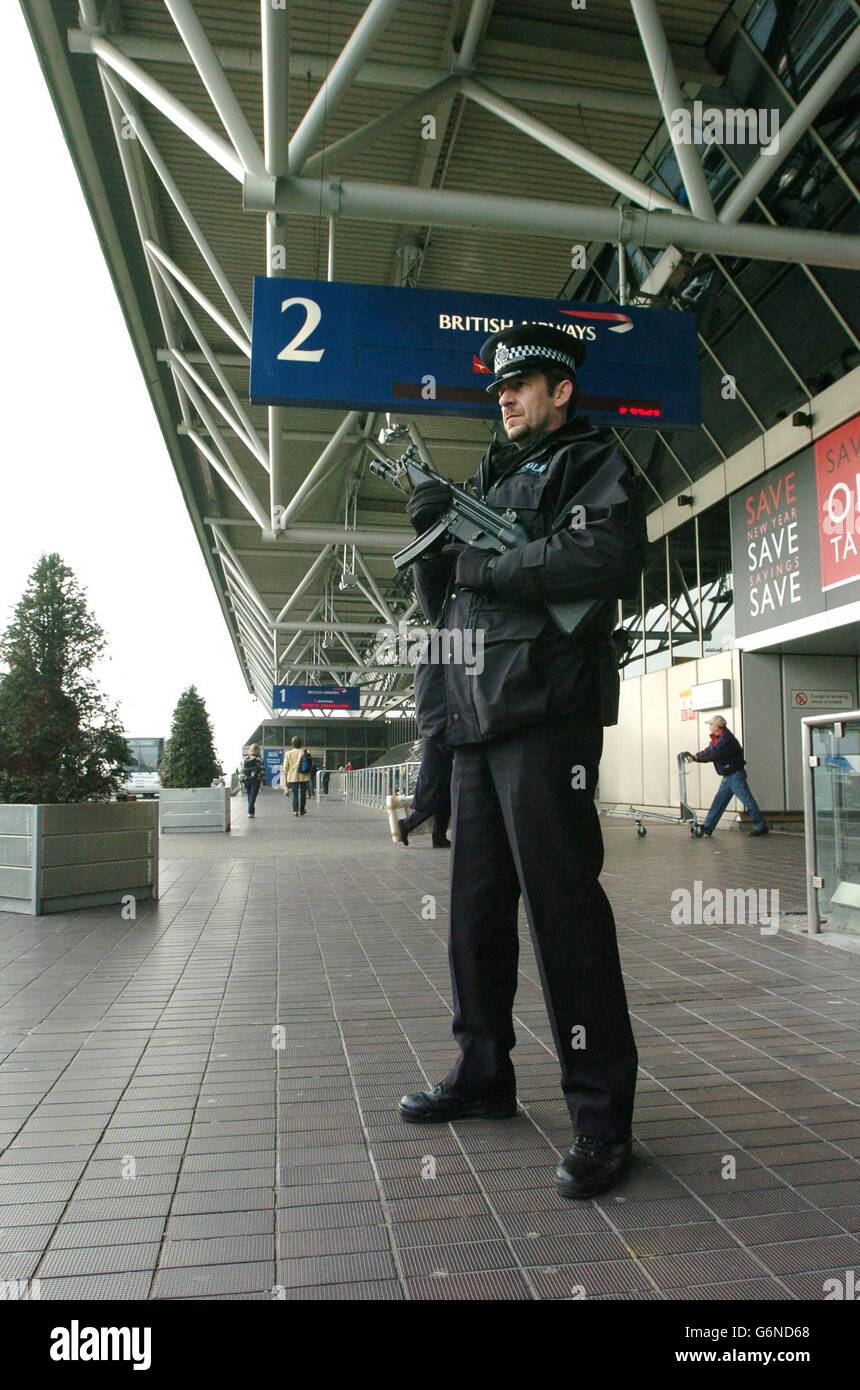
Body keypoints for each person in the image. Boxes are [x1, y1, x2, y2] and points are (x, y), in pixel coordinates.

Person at [396, 323, 647, 1201]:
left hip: (545, 716)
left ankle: (602, 1118)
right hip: (477, 722)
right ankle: (484, 1073)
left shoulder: (591, 462)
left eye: (522, 385)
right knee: (474, 918)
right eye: (499, 389)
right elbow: (447, 623)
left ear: (562, 390)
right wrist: (440, 551)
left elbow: (608, 551)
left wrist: (491, 563)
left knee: (565, 916)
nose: (504, 398)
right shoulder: (489, 484)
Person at [395, 656, 452, 848]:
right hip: (438, 745)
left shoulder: (430, 677)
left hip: (440, 745)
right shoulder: (432, 673)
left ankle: (439, 837)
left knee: (445, 800)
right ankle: (406, 824)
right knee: (434, 798)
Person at [683, 716, 769, 836]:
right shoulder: (719, 737)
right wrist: (696, 756)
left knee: (747, 801)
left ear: (717, 727)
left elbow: (714, 753)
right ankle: (708, 826)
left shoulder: (726, 740)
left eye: (711, 724)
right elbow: (710, 750)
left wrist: (696, 758)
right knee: (719, 801)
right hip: (729, 775)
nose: (709, 726)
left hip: (735, 775)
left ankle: (761, 825)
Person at [282, 736, 311, 817]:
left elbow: (285, 768)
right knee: (303, 793)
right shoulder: (305, 752)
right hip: (304, 776)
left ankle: (295, 811)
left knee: (295, 794)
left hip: (293, 776)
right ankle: (302, 810)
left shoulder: (288, 753)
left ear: (292, 744)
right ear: (301, 743)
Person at [240, 743, 263, 817]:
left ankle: (251, 812)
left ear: (250, 750)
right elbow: (262, 770)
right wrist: (264, 781)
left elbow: (242, 769)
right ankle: (250, 812)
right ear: (258, 751)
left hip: (246, 779)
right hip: (255, 779)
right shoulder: (259, 759)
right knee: (253, 796)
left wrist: (242, 779)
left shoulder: (245, 759)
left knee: (249, 795)